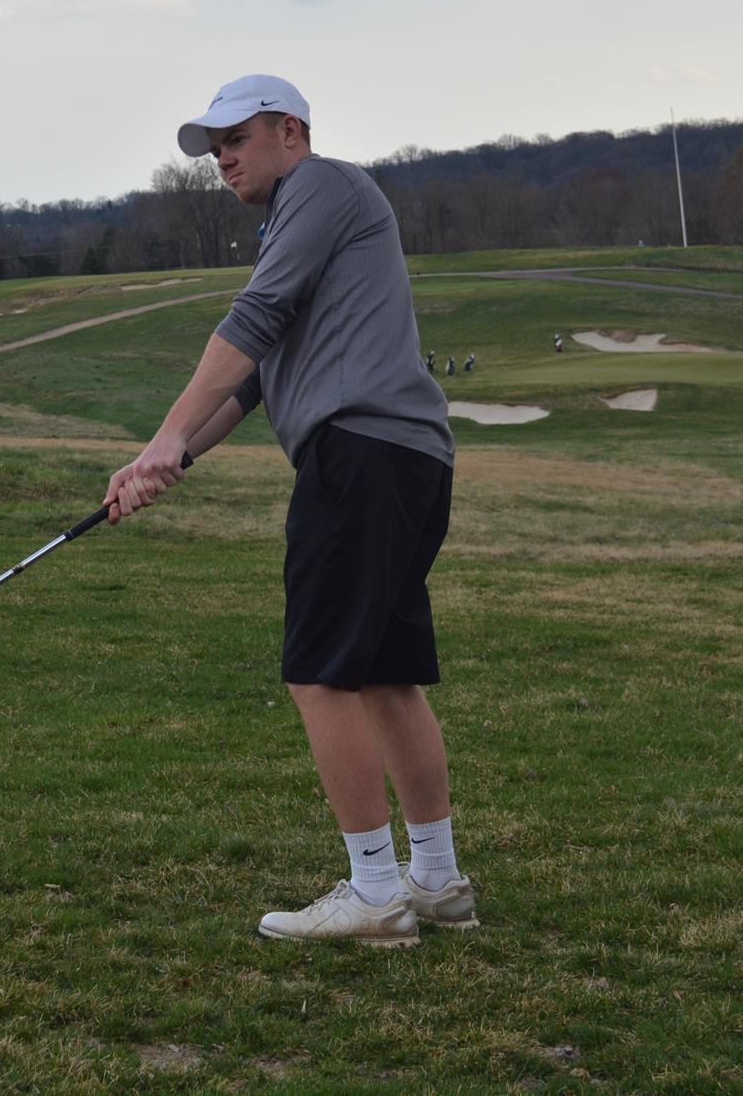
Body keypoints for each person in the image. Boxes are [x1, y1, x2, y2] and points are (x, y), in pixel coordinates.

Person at [103, 75, 473, 948]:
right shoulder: (298, 225)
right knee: (382, 674)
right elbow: (264, 374)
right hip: (402, 458)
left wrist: (160, 434)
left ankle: (376, 893)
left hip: (360, 457)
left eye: (238, 137)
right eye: (213, 145)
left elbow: (252, 318)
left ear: (290, 132)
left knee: (319, 674)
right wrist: (175, 457)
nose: (222, 157)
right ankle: (436, 880)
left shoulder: (324, 187)